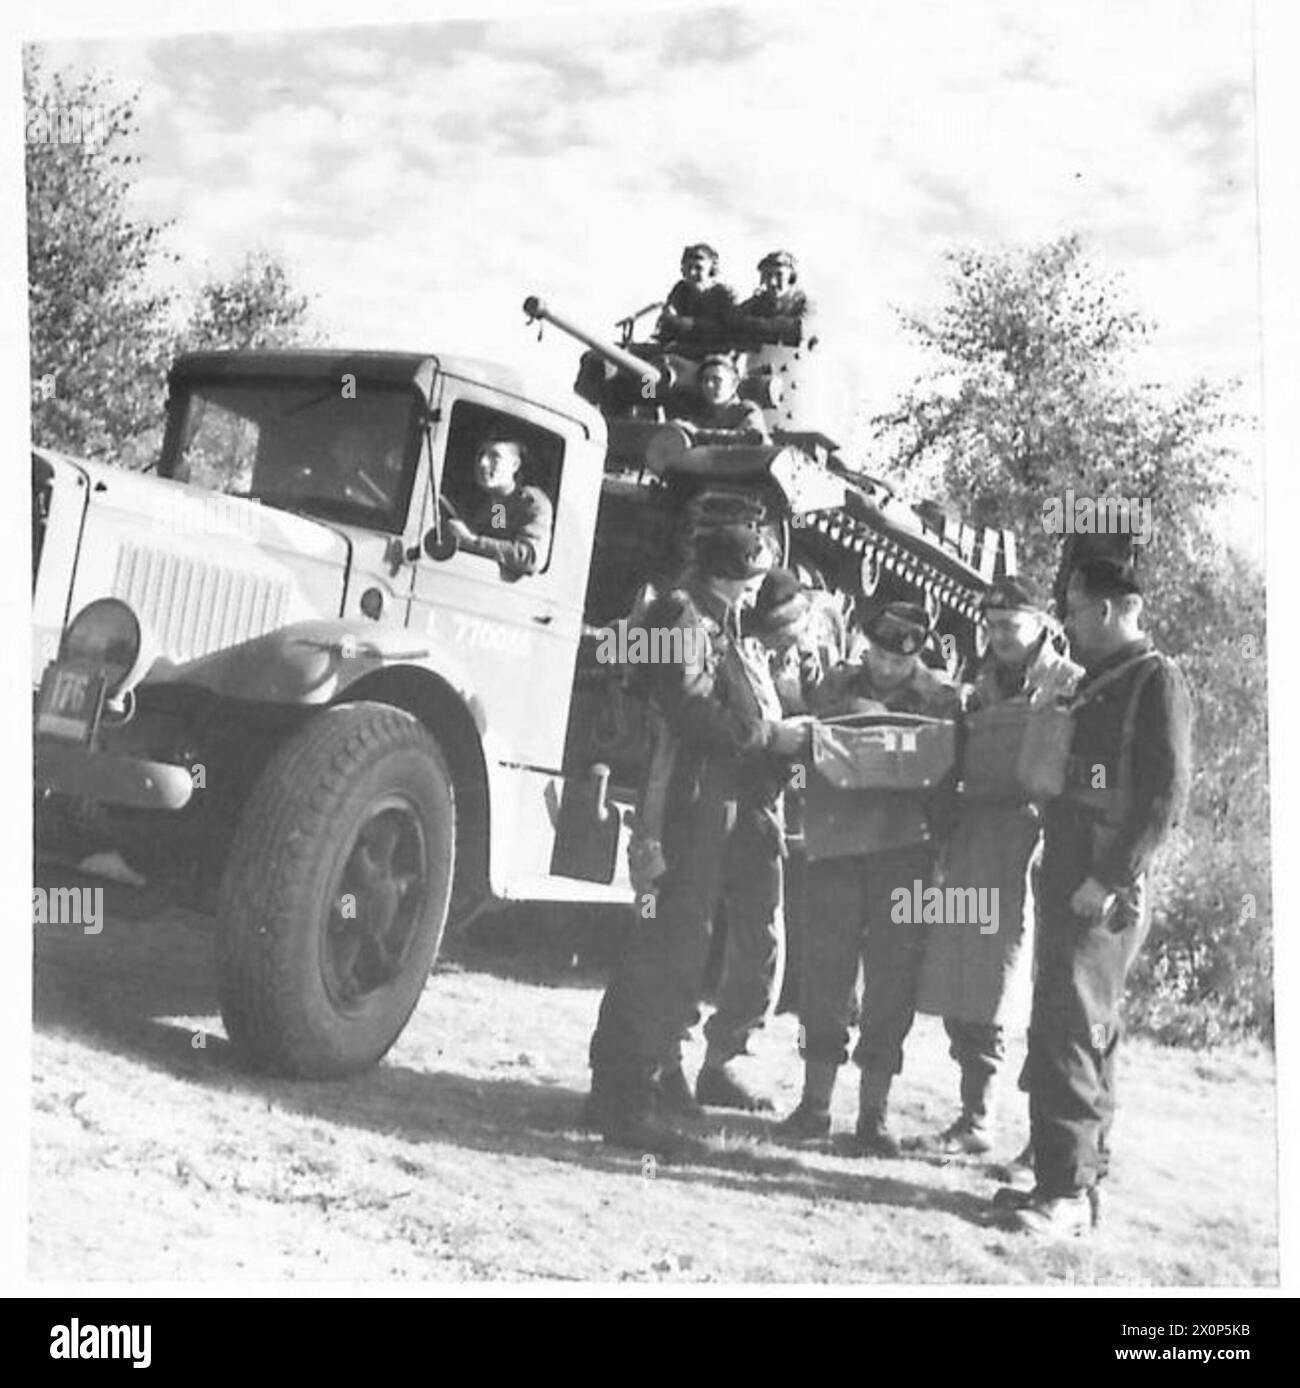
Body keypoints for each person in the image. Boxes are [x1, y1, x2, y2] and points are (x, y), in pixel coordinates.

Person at [586, 499, 812, 1152]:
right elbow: (688, 710)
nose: (756, 589)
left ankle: (629, 1088)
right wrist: (767, 735)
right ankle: (631, 1099)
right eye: (752, 576)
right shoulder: (686, 618)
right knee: (664, 947)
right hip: (685, 806)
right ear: (725, 574)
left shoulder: (713, 616)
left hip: (710, 806)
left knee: (672, 944)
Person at [995, 558, 1192, 1236]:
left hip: (1102, 879)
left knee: (1074, 1027)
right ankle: (1066, 1172)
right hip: (1067, 864)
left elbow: (1165, 799)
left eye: (1074, 610)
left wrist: (1108, 879)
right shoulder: (1094, 679)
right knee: (1066, 1022)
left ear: (1105, 611)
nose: (1068, 623)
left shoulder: (1154, 680)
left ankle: (1067, 1194)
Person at [777, 602, 962, 1153]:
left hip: (906, 855)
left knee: (892, 984)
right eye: (877, 654)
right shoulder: (835, 686)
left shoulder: (943, 701)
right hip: (835, 849)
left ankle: (873, 1117)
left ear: (917, 655)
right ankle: (814, 1105)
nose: (884, 668)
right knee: (823, 976)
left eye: (897, 661)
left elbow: (951, 781)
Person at [914, 577, 1082, 1156]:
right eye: (992, 626)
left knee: (1017, 984)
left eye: (1013, 625)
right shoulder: (980, 687)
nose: (1001, 637)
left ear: (1042, 625)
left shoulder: (1066, 684)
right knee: (964, 975)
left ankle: (1029, 1132)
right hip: (973, 841)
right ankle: (974, 1116)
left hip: (1031, 847)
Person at [444, 435, 553, 580]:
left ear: (515, 465)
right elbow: (498, 533)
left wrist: (470, 541)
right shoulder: (496, 503)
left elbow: (530, 557)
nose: (482, 463)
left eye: (494, 456)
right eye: (481, 455)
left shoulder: (531, 503)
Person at [671, 354, 772, 445]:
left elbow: (754, 439)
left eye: (717, 380)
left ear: (734, 384)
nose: (709, 385)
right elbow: (656, 395)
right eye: (705, 380)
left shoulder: (746, 410)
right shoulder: (698, 412)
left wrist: (697, 434)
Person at [655, 243, 737, 351]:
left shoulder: (724, 293)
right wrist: (668, 320)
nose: (692, 273)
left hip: (713, 354)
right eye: (688, 267)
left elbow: (731, 329)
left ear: (711, 269)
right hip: (680, 352)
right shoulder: (680, 290)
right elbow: (665, 328)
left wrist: (692, 324)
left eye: (699, 268)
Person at [734, 250, 816, 347]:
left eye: (779, 275)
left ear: (792, 277)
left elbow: (800, 328)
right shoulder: (759, 302)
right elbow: (734, 318)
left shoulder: (806, 304)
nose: (772, 282)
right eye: (768, 275)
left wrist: (756, 324)